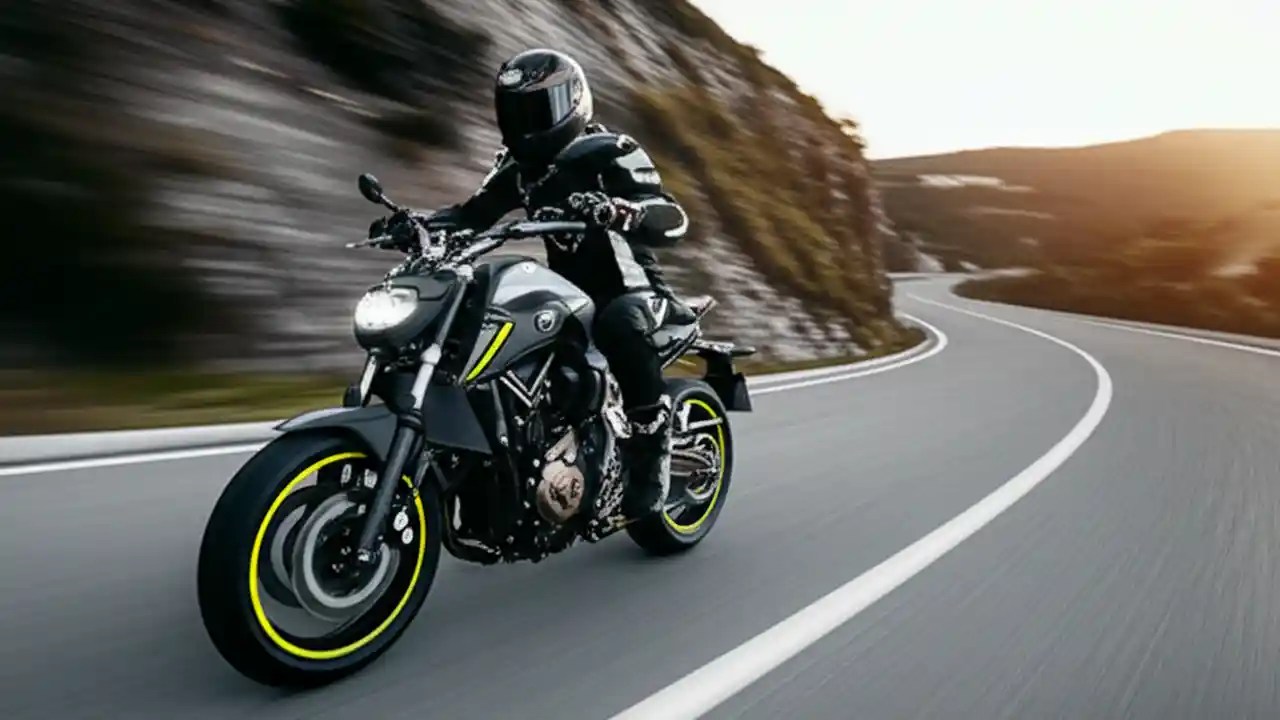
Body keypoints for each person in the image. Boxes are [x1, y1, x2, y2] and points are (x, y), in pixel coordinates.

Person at [419, 48, 694, 520]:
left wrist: (625, 212)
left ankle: (650, 454)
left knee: (621, 323)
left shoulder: (612, 151)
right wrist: (414, 224)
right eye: (517, 112)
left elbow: (673, 216)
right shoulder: (520, 171)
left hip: (634, 293)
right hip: (571, 299)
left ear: (573, 102)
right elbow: (472, 216)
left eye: (539, 110)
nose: (527, 123)